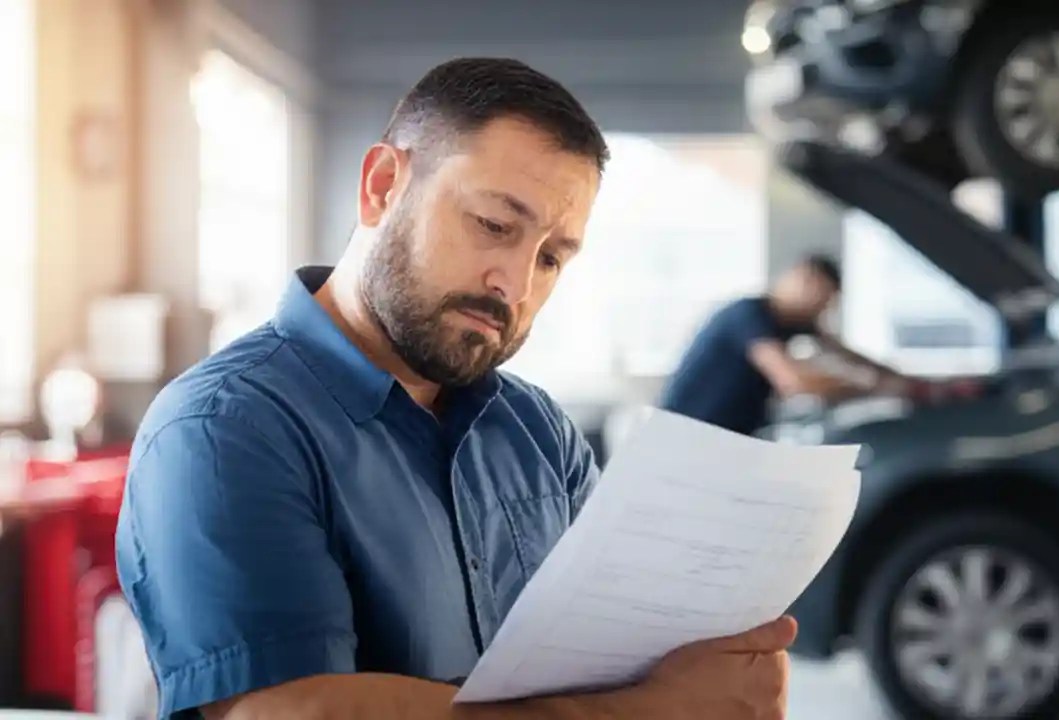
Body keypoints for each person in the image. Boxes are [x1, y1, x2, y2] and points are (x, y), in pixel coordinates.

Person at [116, 58, 796, 719]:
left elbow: (619, 656)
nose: (517, 284)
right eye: (495, 226)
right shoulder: (223, 428)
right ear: (383, 187)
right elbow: (290, 710)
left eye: (551, 256)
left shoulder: (539, 433)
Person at [659, 255, 932, 436]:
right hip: (690, 434)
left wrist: (908, 381)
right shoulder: (750, 314)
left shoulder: (795, 322)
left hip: (732, 435)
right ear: (802, 280)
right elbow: (793, 381)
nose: (822, 310)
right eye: (821, 300)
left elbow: (847, 355)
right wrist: (873, 387)